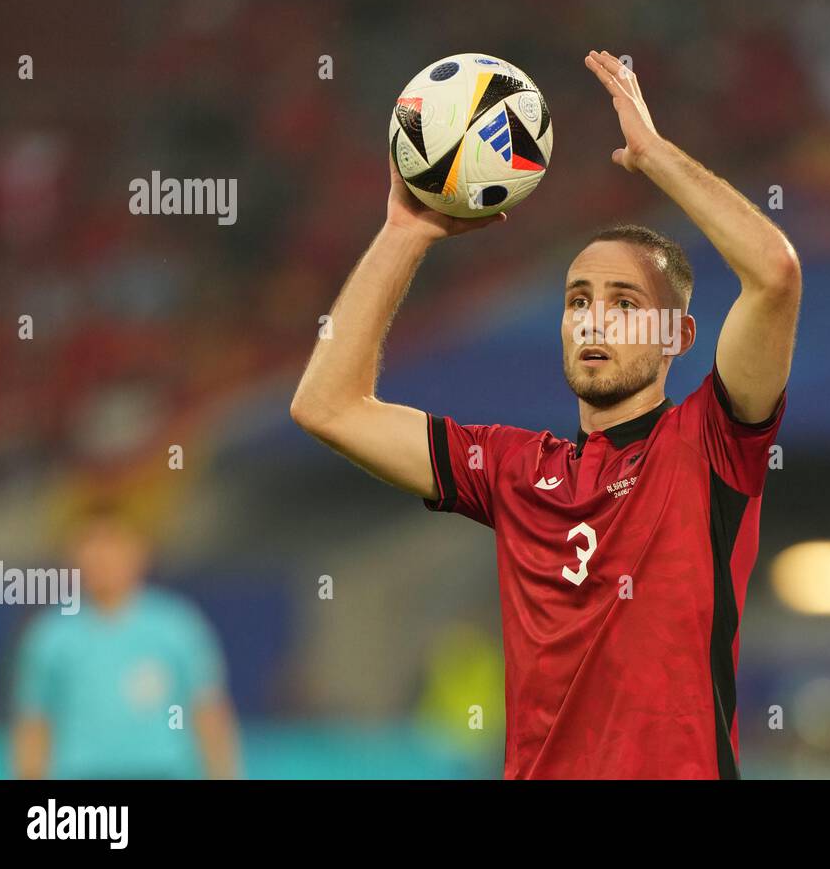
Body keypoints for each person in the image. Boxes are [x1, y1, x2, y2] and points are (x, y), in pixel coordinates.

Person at [291, 50, 801, 778]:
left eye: (625, 303)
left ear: (679, 336)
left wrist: (654, 156)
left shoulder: (711, 444)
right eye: (577, 300)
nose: (594, 319)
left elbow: (775, 275)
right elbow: (326, 406)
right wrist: (403, 235)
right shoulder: (512, 469)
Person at [11, 508, 240, 779]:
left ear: (140, 552)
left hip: (162, 771)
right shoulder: (51, 635)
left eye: (113, 544)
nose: (102, 558)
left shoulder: (177, 626)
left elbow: (208, 712)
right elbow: (34, 724)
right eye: (90, 544)